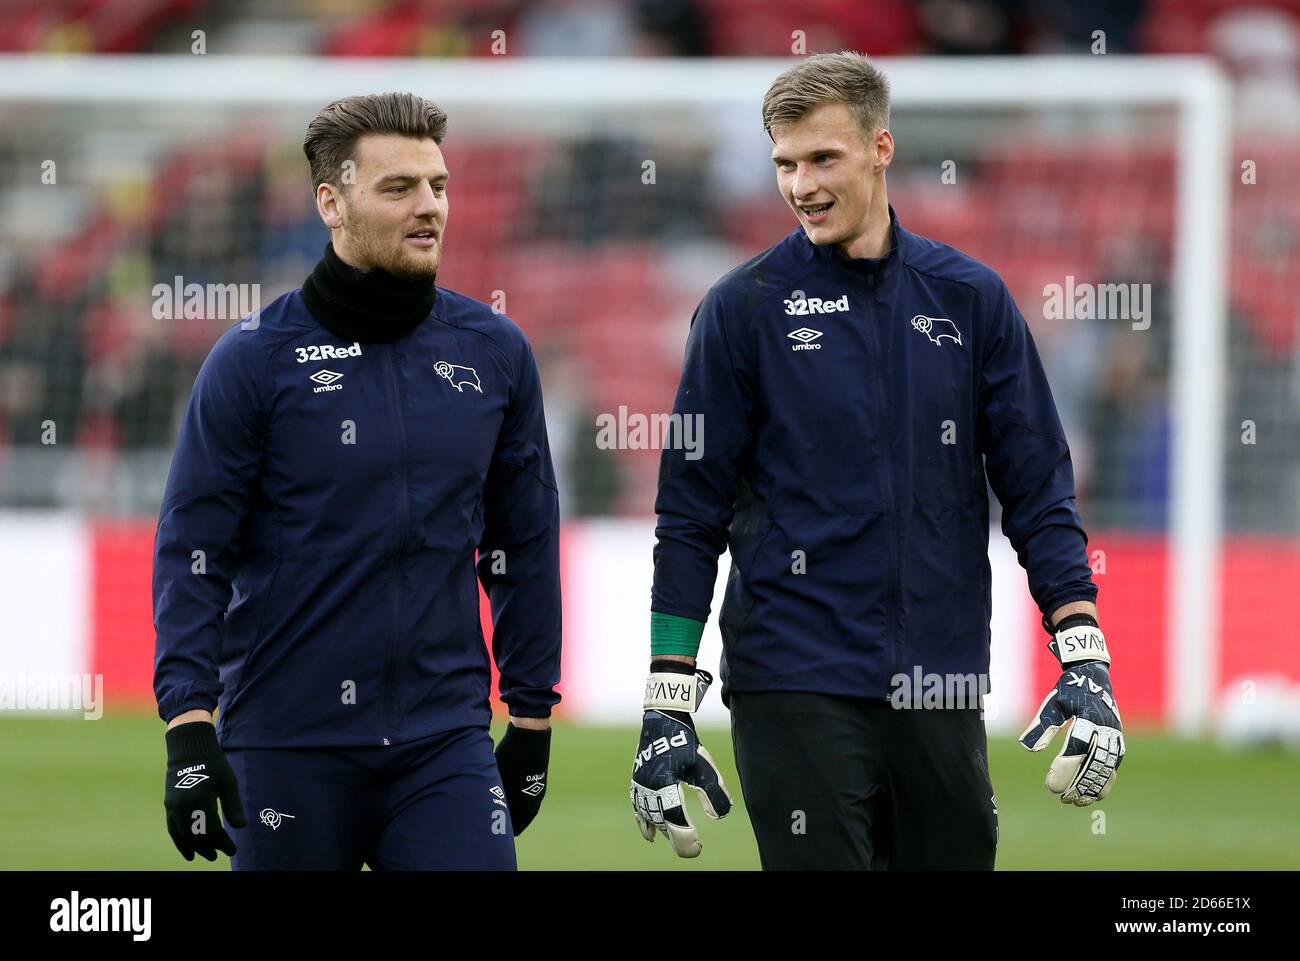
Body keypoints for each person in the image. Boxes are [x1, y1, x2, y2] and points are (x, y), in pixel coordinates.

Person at [630, 51, 1124, 869]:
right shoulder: (740, 310)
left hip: (941, 678)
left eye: (823, 158)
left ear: (881, 148)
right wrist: (669, 698)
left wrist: (1084, 650)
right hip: (792, 674)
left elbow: (1037, 488)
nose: (801, 185)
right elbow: (688, 517)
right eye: (784, 163)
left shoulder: (970, 299)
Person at [153, 92, 561, 870]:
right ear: (331, 203)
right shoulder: (253, 360)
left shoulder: (496, 352)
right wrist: (189, 725)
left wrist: (533, 716)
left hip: (442, 742)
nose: (430, 207)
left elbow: (524, 545)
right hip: (284, 740)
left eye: (438, 185)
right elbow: (192, 552)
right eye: (399, 187)